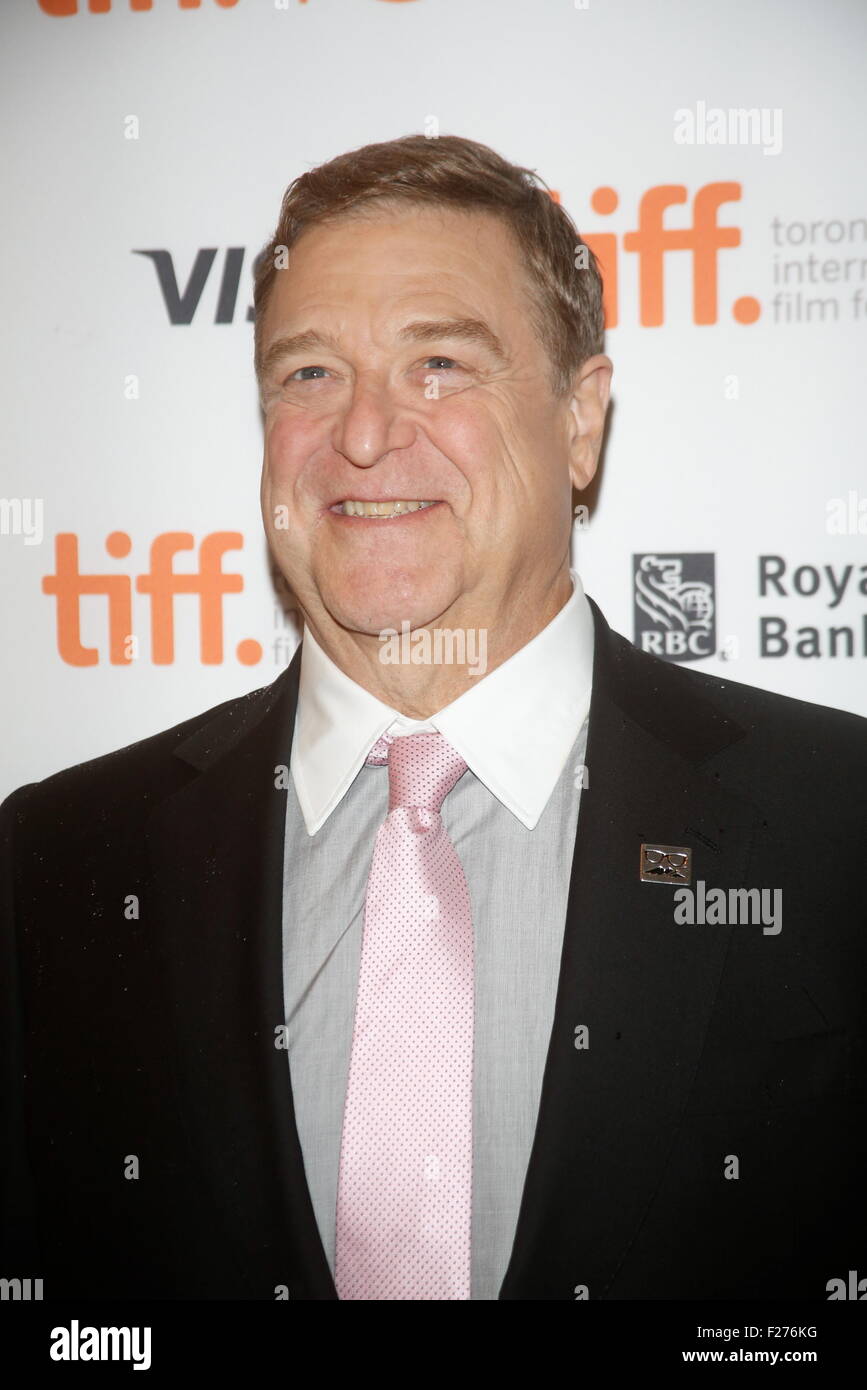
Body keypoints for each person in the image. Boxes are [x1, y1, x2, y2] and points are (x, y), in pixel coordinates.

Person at [1, 134, 865, 1301]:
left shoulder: (835, 827)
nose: (361, 435)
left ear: (580, 419)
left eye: (440, 364)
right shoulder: (55, 863)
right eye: (308, 373)